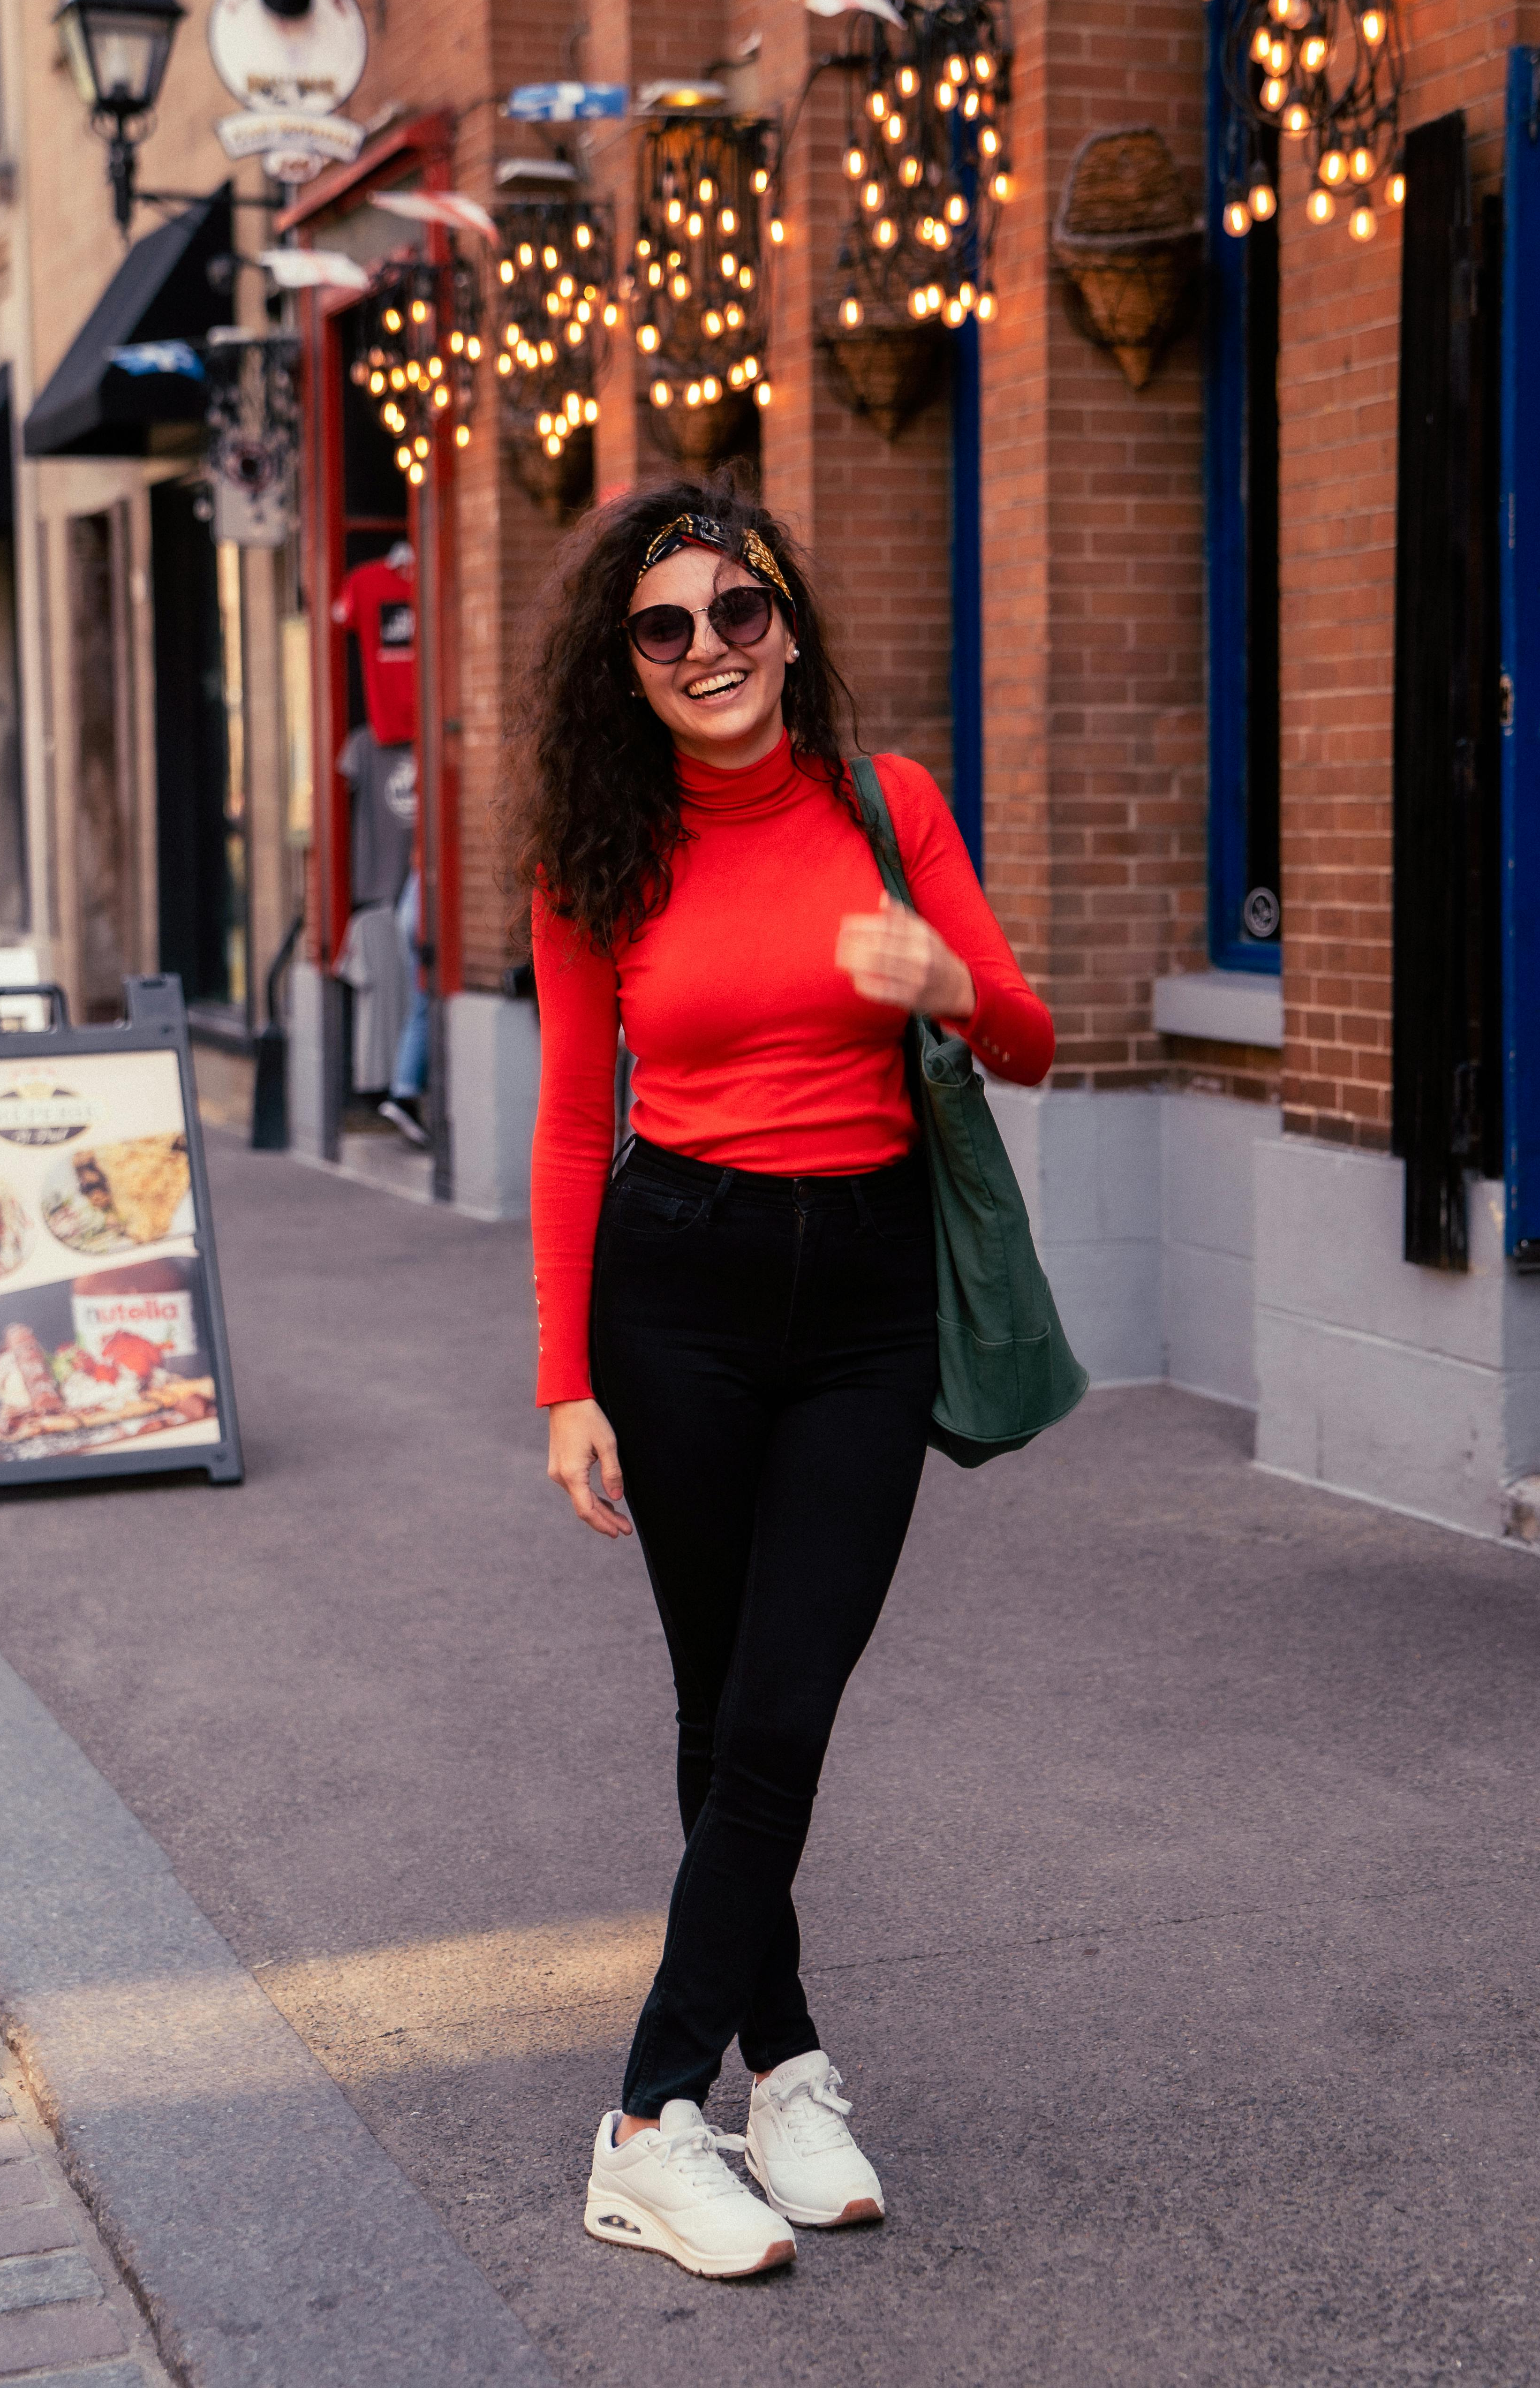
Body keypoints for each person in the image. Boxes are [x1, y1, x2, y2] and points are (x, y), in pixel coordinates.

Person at [518, 478, 1053, 2282]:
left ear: (789, 623)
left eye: (735, 613)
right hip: (674, 1290)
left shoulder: (888, 807)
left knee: (782, 1700)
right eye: (662, 628)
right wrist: (561, 1382)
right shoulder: (600, 849)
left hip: (868, 1299)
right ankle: (770, 2082)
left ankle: (661, 2114)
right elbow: (575, 1118)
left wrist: (942, 982)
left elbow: (1033, 1037)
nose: (706, 650)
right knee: (722, 1702)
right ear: (629, 664)